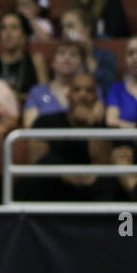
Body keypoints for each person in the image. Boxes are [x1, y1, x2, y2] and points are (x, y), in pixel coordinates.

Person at [15, 73, 124, 202]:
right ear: (68, 95)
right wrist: (69, 175)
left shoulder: (101, 126)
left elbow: (103, 164)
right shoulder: (46, 121)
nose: (83, 95)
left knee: (111, 181)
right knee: (50, 161)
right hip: (53, 184)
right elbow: (37, 164)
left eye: (89, 91)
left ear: (96, 97)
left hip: (89, 186)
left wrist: (91, 125)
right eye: (77, 90)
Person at [23, 40, 99, 127]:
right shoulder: (37, 92)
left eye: (73, 55)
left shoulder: (90, 89)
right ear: (53, 62)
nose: (67, 58)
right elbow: (30, 126)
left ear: (82, 63)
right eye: (61, 53)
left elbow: (96, 119)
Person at [0, 11, 47, 101]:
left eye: (14, 28)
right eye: (3, 28)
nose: (8, 33)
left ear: (24, 35)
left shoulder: (36, 60)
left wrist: (15, 97)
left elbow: (44, 96)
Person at [59, 6, 118, 89]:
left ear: (87, 28)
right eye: (63, 27)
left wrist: (87, 53)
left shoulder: (106, 56)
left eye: (70, 26)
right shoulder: (60, 56)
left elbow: (107, 84)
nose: (65, 31)